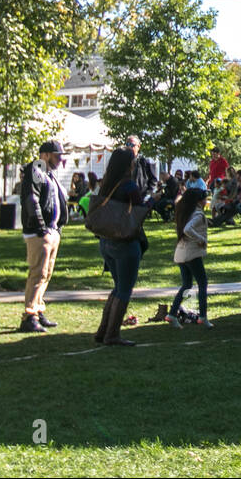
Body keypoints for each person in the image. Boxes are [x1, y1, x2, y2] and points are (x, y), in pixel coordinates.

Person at [91, 147, 146, 347]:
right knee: (124, 289)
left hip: (106, 241)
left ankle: (103, 330)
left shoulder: (107, 184)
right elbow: (139, 209)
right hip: (124, 242)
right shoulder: (129, 185)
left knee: (117, 287)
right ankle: (112, 334)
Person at [18, 139, 69, 333]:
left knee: (45, 274)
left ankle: (38, 309)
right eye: (57, 155)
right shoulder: (37, 169)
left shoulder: (48, 173)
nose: (60, 159)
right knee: (38, 273)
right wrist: (41, 227)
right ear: (45, 155)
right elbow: (32, 199)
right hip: (41, 232)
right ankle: (29, 315)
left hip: (51, 230)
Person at [166, 187, 212, 329]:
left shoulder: (185, 212)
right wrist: (201, 239)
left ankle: (172, 314)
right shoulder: (197, 214)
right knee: (202, 283)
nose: (206, 202)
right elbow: (187, 229)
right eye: (204, 199)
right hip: (192, 254)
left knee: (187, 284)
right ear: (198, 201)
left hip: (181, 253)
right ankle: (203, 316)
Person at [125, 135, 157, 257]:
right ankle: (135, 247)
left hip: (140, 196)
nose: (129, 147)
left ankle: (139, 247)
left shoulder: (144, 162)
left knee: (137, 222)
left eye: (132, 145)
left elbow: (153, 180)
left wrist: (148, 193)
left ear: (138, 147)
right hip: (125, 197)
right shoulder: (123, 161)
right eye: (127, 144)